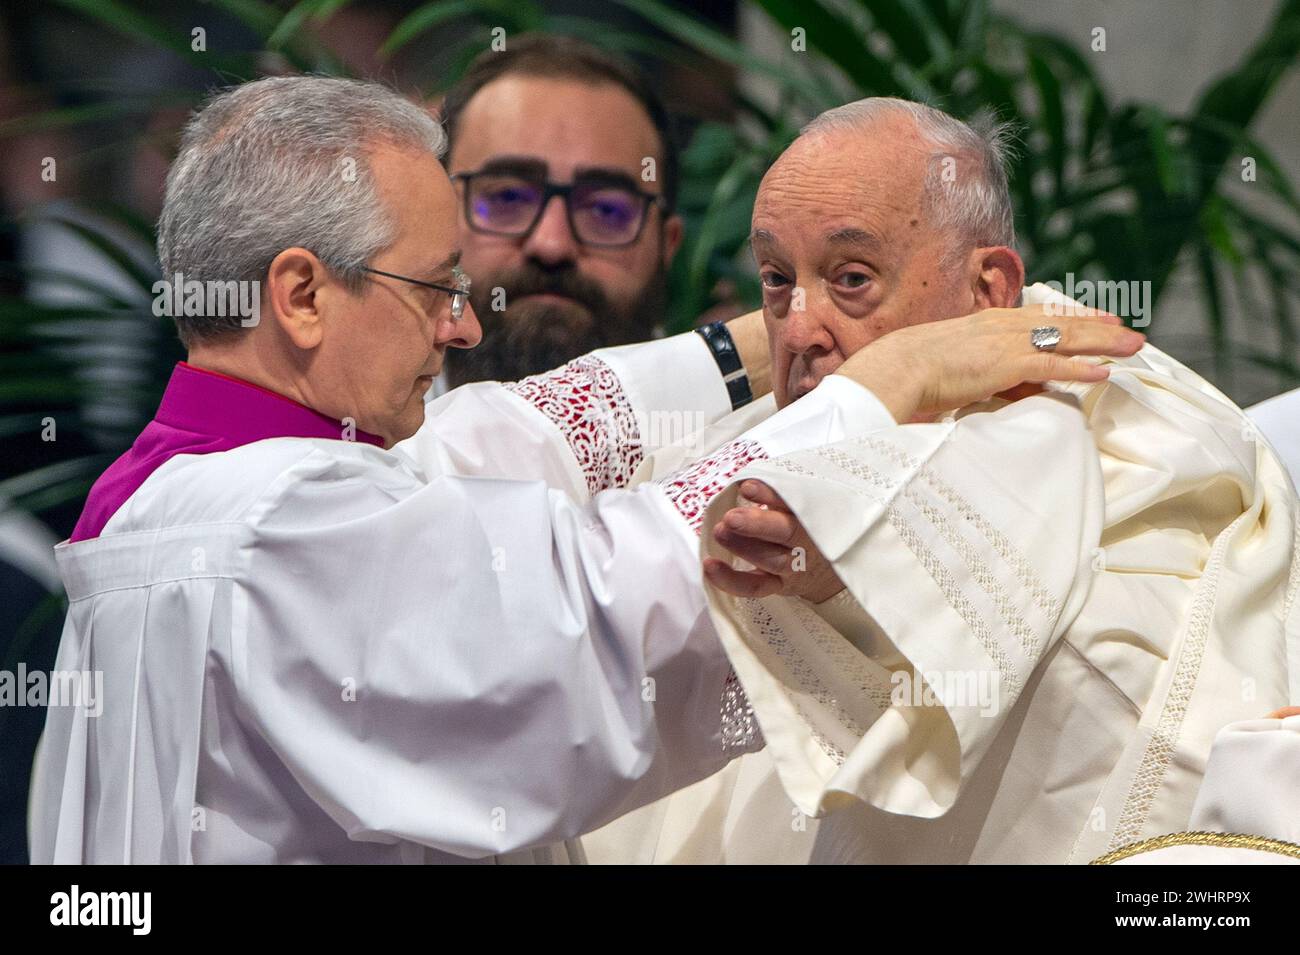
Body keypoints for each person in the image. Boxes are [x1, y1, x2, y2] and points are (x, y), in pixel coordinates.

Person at [28, 79, 1132, 864]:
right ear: (303, 294)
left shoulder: (197, 487)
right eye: (431, 288)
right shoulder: (278, 526)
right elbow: (602, 612)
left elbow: (506, 440)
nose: (462, 328)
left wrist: (781, 332)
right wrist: (884, 384)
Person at [583, 97, 1297, 865]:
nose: (797, 330)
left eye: (851, 278)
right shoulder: (722, 450)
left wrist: (845, 586)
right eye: (777, 279)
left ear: (989, 291)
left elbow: (1104, 698)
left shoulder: (1121, 426)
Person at [437, 34, 682, 388]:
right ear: (430, 220)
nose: (552, 244)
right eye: (507, 197)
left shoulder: (732, 437)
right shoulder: (348, 431)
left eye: (606, 210)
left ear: (666, 245)